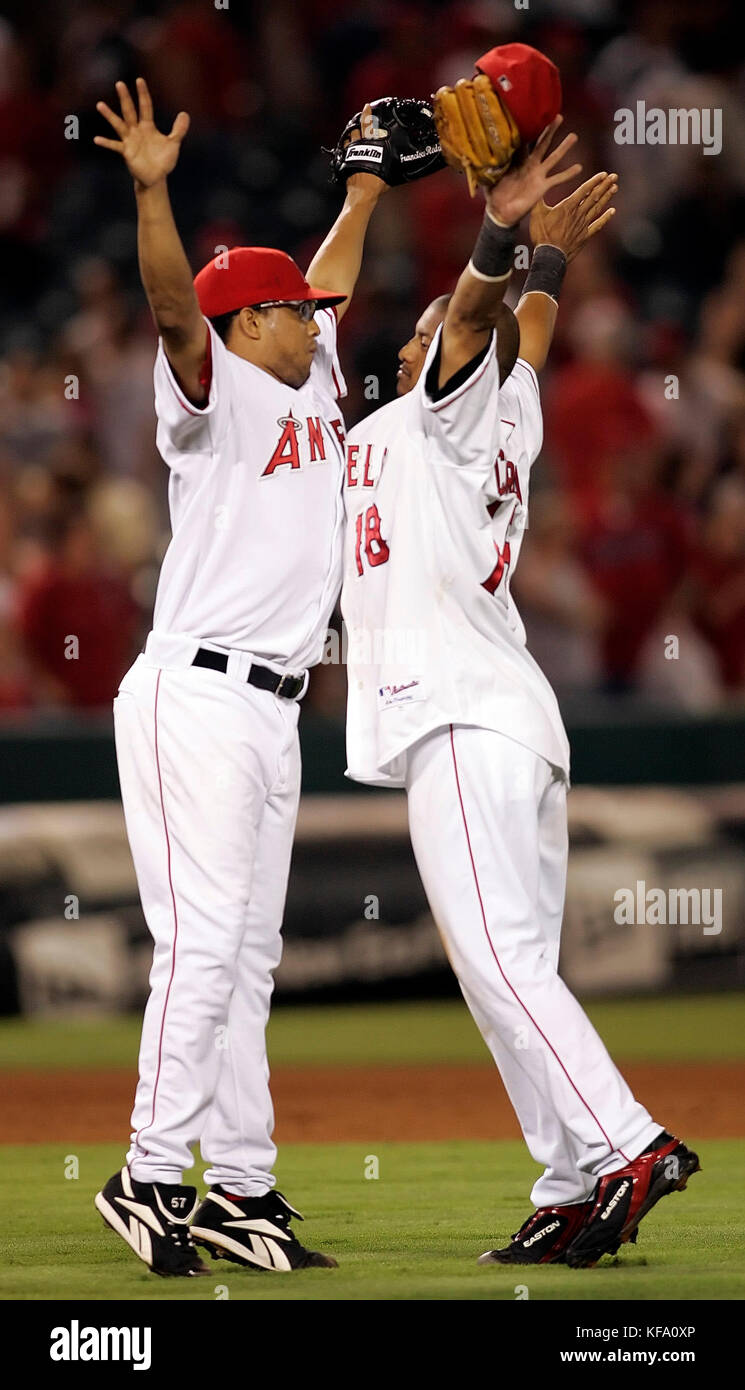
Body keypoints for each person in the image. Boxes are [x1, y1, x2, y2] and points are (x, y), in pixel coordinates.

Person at [341, 135, 700, 1268]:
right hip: (505, 719)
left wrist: (498, 236)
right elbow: (519, 334)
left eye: (430, 340)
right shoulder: (502, 410)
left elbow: (470, 324)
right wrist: (543, 267)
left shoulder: (440, 413)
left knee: (499, 961)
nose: (417, 342)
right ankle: (572, 1175)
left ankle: (628, 1139)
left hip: (460, 710)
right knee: (504, 966)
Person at [91, 77, 387, 1276]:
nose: (317, 321)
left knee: (248, 957)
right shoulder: (211, 385)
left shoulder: (307, 375)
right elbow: (172, 310)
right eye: (294, 311)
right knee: (203, 946)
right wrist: (154, 196)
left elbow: (338, 274)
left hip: (272, 708)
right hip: (194, 693)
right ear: (247, 320)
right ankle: (150, 1172)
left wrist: (363, 190)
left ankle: (243, 1189)